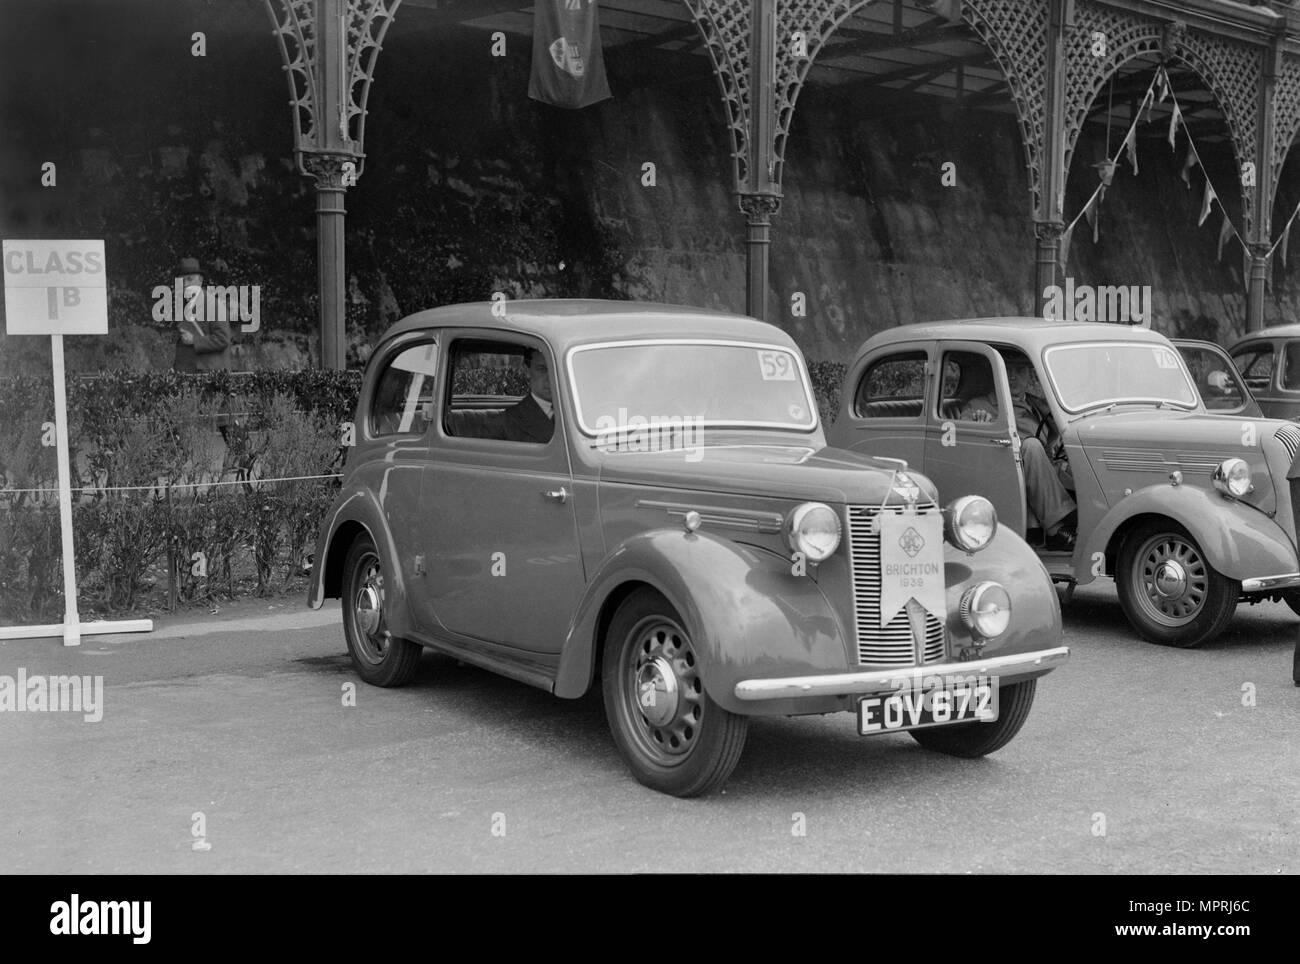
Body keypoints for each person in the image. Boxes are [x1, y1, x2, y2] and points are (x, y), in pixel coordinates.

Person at [961, 354, 1076, 550]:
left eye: (1019, 371)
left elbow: (1054, 438)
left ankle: (1090, 517)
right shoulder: (980, 405)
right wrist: (982, 425)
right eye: (1007, 371)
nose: (1013, 377)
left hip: (1042, 463)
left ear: (1030, 376)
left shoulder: (1036, 403)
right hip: (1006, 468)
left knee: (1077, 458)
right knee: (1031, 446)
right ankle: (1057, 527)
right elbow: (962, 439)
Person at [171, 257, 232, 373]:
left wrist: (194, 340)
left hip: (211, 375)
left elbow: (223, 339)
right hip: (189, 374)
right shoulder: (185, 305)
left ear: (200, 281)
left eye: (189, 279)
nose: (185, 284)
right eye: (182, 281)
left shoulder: (213, 305)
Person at [483, 348, 554, 443]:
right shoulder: (502, 425)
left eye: (556, 370)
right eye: (541, 369)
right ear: (526, 371)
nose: (551, 377)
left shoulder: (578, 414)